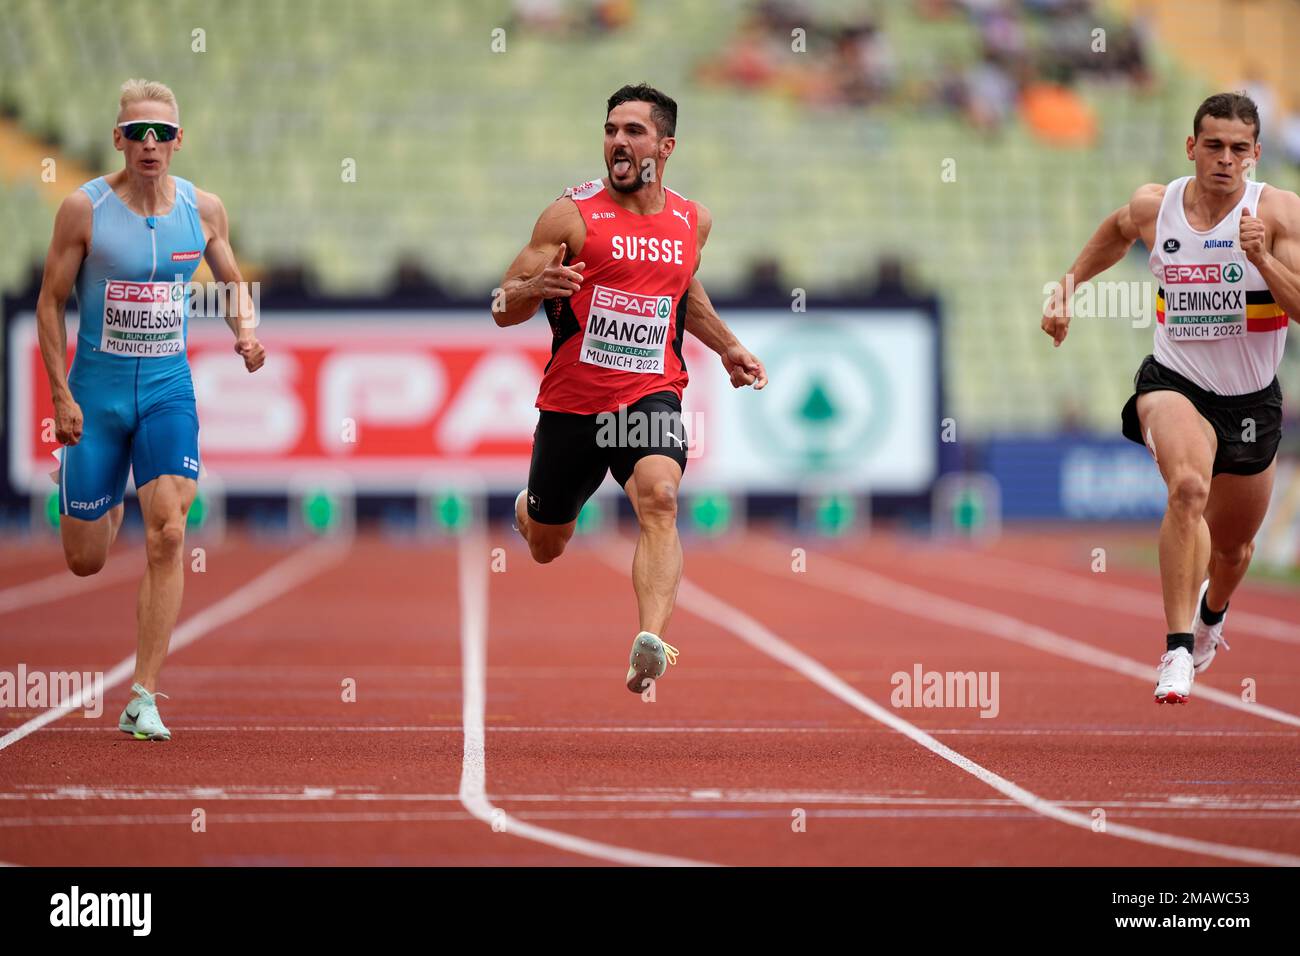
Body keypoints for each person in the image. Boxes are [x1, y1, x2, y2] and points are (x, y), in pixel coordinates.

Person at [494, 83, 767, 693]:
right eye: (611, 129)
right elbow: (500, 306)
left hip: (649, 395)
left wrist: (728, 346)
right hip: (572, 405)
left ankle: (651, 642)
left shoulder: (692, 222)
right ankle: (529, 509)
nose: (618, 141)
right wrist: (538, 286)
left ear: (665, 146)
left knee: (661, 497)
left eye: (633, 131)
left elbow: (683, 291)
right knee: (547, 543)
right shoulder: (569, 215)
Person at [1043, 92, 1295, 703]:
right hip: (1174, 383)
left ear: (1256, 154)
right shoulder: (1157, 207)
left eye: (1239, 149)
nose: (1225, 160)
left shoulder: (1280, 215)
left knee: (1234, 549)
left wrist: (1260, 256)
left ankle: (1212, 616)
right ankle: (1177, 649)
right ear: (1192, 148)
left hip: (1252, 400)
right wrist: (1067, 286)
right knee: (1187, 487)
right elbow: (1115, 230)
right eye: (1213, 146)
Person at [35, 79, 265, 739]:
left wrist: (244, 332)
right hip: (97, 396)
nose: (150, 144)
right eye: (138, 132)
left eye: (162, 133)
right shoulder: (84, 211)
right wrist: (61, 395)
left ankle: (143, 695)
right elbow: (51, 301)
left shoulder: (204, 209)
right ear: (119, 139)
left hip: (168, 390)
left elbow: (232, 282)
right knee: (85, 558)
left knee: (168, 530)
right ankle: (86, 484)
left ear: (178, 141)